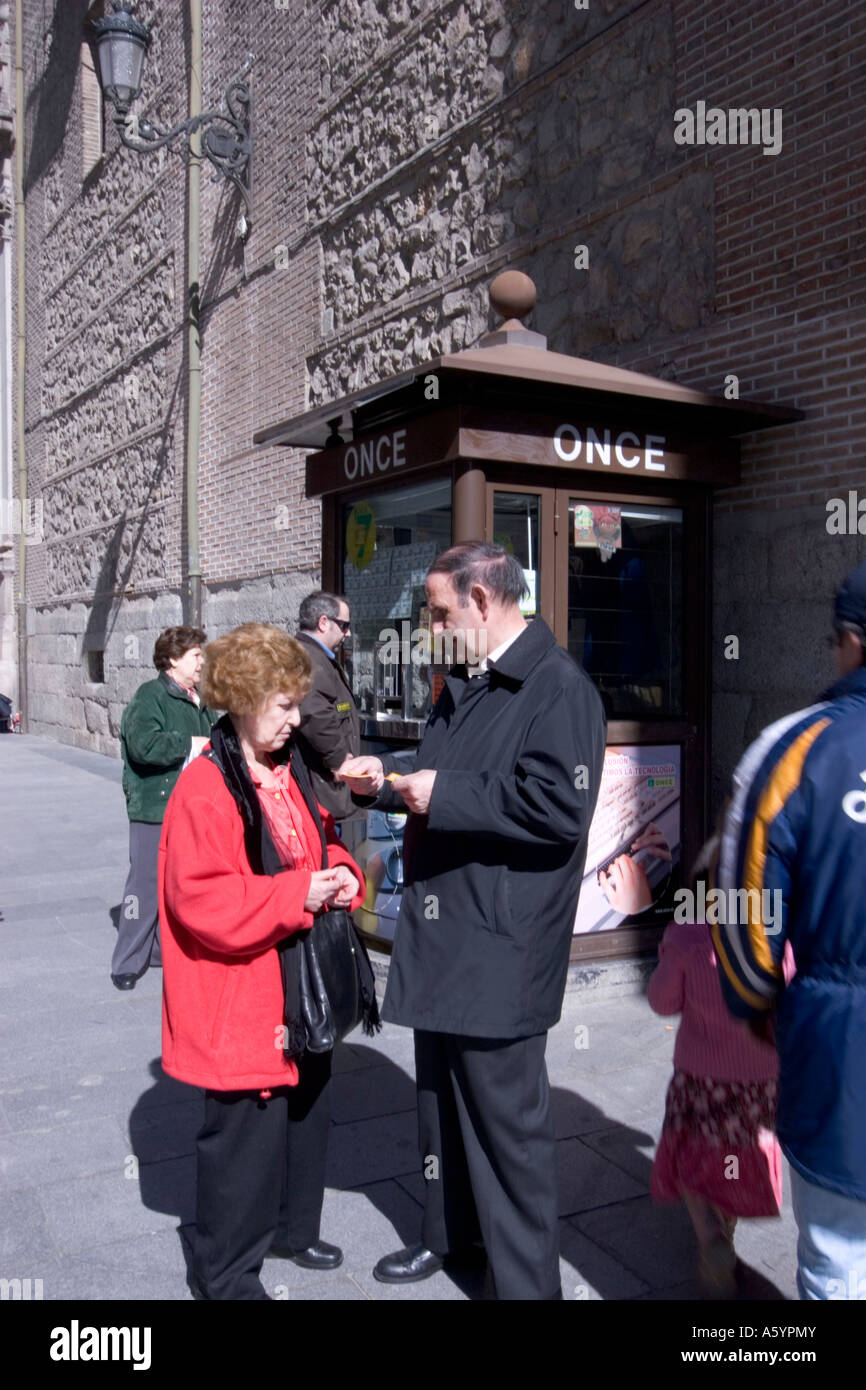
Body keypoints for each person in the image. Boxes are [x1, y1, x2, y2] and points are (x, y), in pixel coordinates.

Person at [338, 541, 606, 1299]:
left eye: (439, 611)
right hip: (444, 931)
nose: (431, 626)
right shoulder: (465, 682)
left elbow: (557, 808)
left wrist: (437, 793)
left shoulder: (560, 689)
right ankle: (449, 1240)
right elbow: (444, 782)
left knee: (507, 1136)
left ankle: (526, 1286)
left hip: (500, 945)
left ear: (483, 603)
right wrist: (383, 787)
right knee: (439, 1107)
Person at [158, 623, 367, 1301]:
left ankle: (292, 1228)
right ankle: (227, 1276)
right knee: (243, 1142)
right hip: (244, 994)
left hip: (302, 984)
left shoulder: (285, 769)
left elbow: (319, 843)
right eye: (283, 704)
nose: (296, 717)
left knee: (307, 1113)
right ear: (244, 701)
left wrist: (338, 873)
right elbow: (201, 900)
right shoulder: (206, 786)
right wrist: (295, 893)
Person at [713, 559, 866, 1301]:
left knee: (836, 1262)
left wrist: (758, 1001)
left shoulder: (791, 749)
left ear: (851, 642)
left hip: (841, 1053)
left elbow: (744, 913)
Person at [647, 833, 788, 1296]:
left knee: (695, 1155)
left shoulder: (687, 937)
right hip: (759, 1080)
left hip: (701, 1077)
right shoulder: (779, 941)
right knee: (732, 1157)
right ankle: (724, 1232)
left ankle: (709, 1234)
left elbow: (663, 1003)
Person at [112, 625, 215, 990]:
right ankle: (126, 959)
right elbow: (143, 745)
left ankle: (158, 951)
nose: (202, 661)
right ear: (173, 659)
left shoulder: (198, 698)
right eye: (195, 655)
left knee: (180, 885)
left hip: (189, 809)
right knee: (142, 888)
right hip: (152, 809)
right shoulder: (149, 695)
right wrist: (192, 743)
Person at [293, 591, 367, 822]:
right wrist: (341, 761)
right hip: (324, 786)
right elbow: (314, 714)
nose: (348, 632)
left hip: (329, 784)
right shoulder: (308, 659)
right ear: (323, 622)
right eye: (344, 625)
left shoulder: (318, 657)